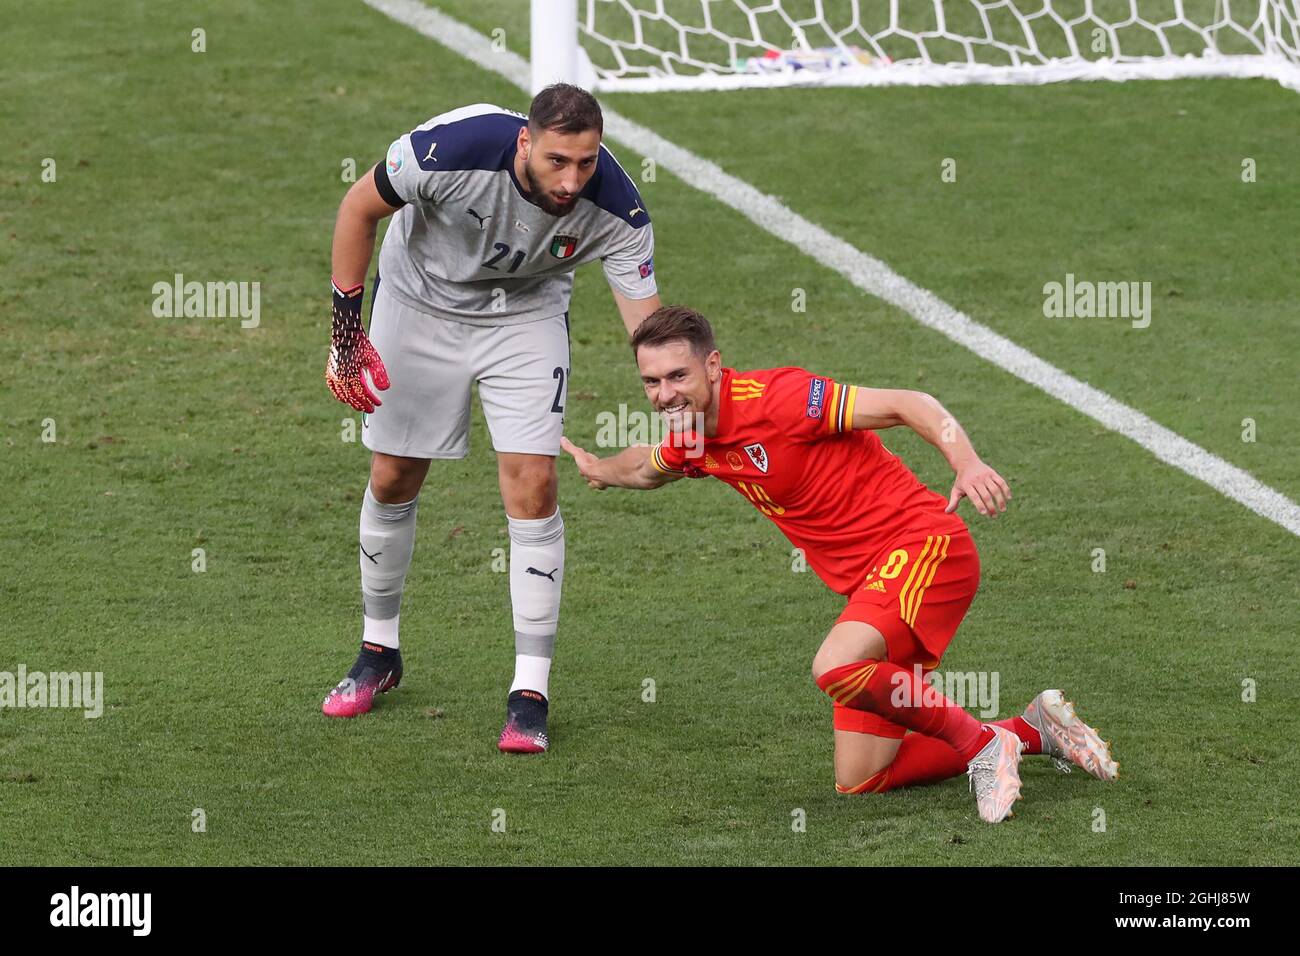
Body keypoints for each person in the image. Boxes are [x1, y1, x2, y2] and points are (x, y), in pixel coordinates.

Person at [561, 306, 1117, 821]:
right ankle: (1028, 730)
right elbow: (645, 469)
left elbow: (907, 403)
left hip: (924, 546)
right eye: (651, 382)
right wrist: (598, 469)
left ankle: (983, 746)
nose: (665, 395)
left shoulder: (780, 398)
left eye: (677, 376)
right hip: (874, 584)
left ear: (712, 364)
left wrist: (966, 461)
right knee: (863, 777)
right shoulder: (691, 436)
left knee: (835, 665)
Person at [322, 84, 661, 754]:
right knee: (393, 476)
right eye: (558, 161)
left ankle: (529, 692)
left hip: (526, 316)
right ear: (525, 143)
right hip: (418, 300)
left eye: (586, 163)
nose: (571, 181)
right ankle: (378, 651)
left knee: (534, 483)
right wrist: (345, 334)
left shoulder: (616, 208)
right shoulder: (449, 151)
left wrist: (688, 405)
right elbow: (358, 208)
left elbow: (650, 330)